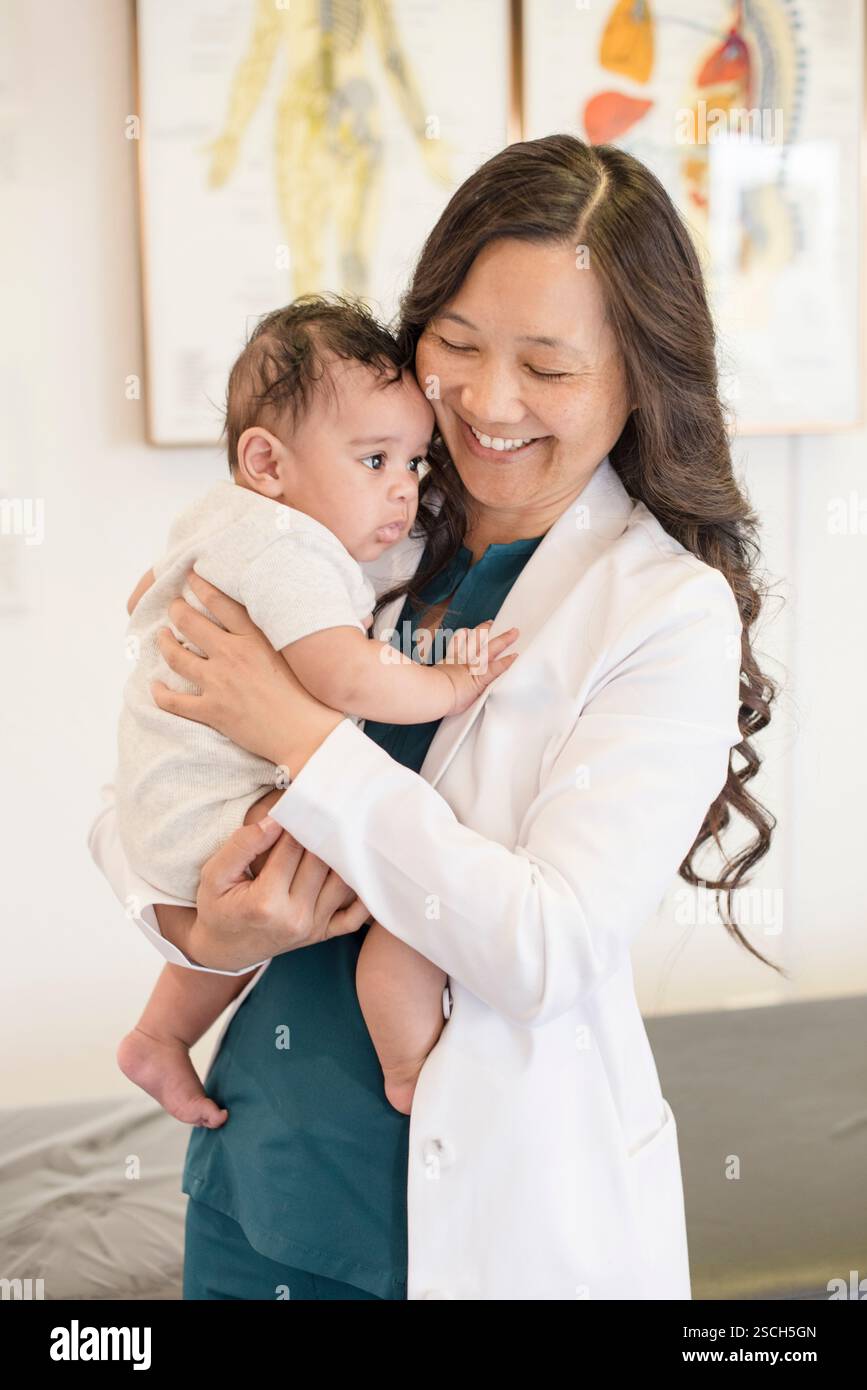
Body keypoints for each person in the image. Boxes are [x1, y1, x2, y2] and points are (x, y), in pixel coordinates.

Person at [89, 133, 778, 1301]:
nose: (488, 400)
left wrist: (303, 739)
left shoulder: (666, 611)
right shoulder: (347, 516)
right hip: (256, 1190)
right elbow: (140, 798)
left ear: (638, 378)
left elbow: (546, 944)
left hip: (484, 1236)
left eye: (548, 368)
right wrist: (204, 935)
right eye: (455, 344)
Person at [113, 295, 518, 1131]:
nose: (404, 491)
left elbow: (141, 596)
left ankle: (159, 1035)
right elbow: (345, 676)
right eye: (374, 461)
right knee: (407, 893)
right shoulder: (287, 545)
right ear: (266, 462)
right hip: (213, 819)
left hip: (164, 808)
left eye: (415, 464)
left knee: (309, 888)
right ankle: (410, 1069)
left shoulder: (228, 521)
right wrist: (446, 685)